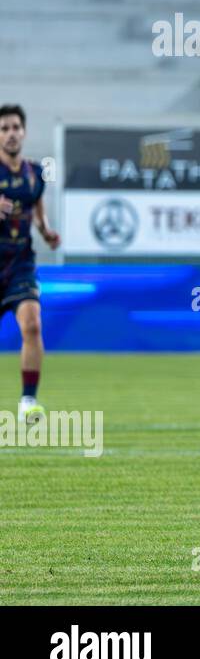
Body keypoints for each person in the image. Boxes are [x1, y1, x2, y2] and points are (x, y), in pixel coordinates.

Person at [0, 105, 60, 424]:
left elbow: (37, 211)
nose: (10, 133)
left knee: (33, 325)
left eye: (15, 127)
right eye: (4, 128)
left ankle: (28, 401)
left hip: (20, 263)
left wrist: (46, 231)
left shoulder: (34, 174)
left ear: (23, 132)